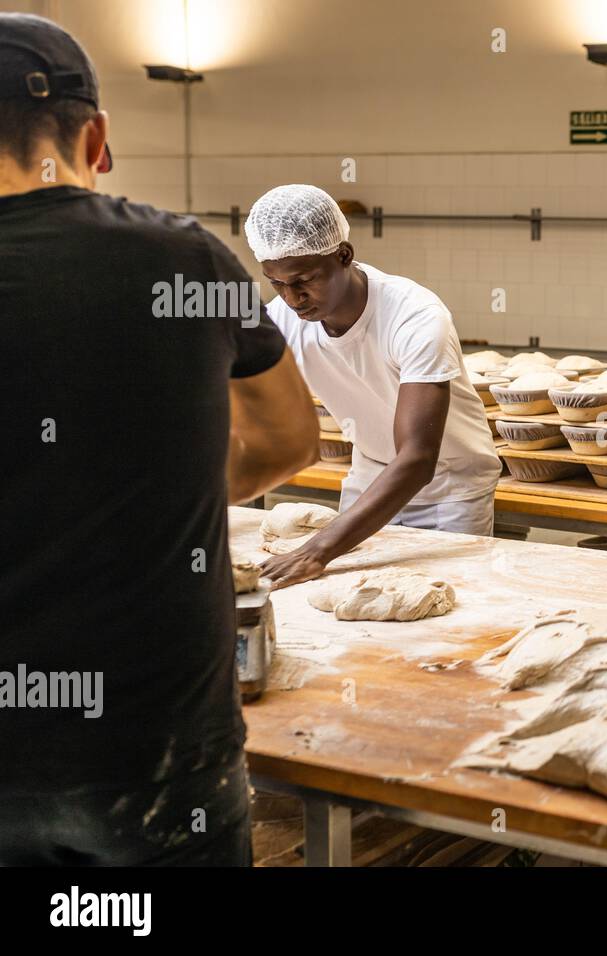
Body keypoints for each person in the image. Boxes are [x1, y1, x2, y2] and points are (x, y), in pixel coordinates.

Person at [0, 14, 319, 865]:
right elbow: (290, 439)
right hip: (152, 747)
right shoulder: (189, 264)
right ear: (96, 138)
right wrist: (144, 488)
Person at [243, 185, 501, 589]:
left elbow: (418, 457)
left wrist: (317, 550)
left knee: (439, 613)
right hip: (369, 475)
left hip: (448, 489)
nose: (293, 298)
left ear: (343, 255)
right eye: (277, 283)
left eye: (305, 280)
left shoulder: (415, 317)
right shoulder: (282, 318)